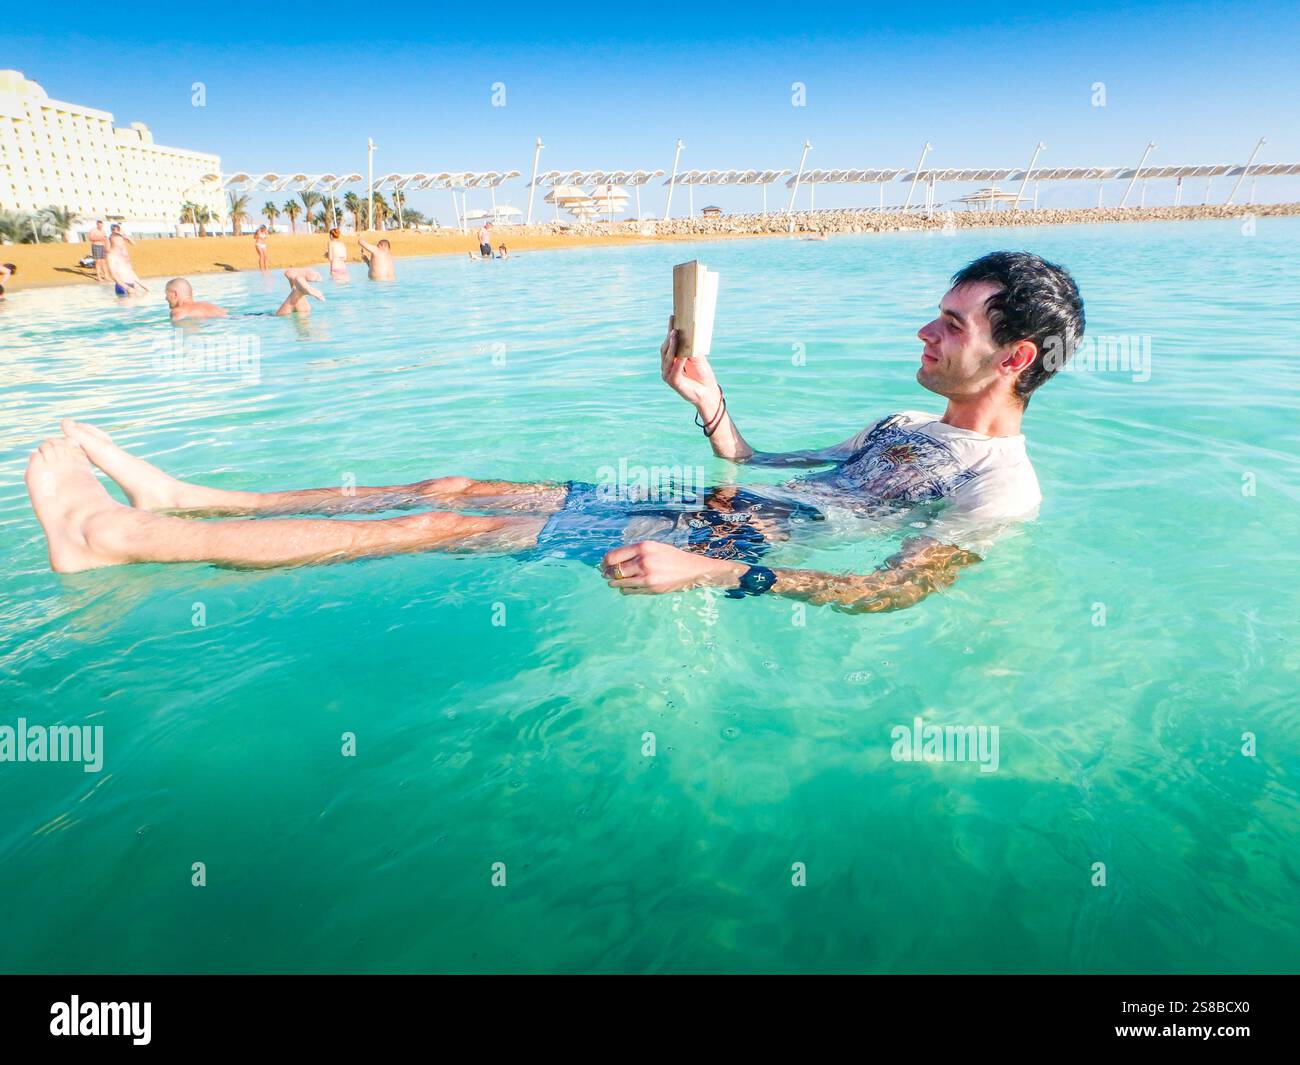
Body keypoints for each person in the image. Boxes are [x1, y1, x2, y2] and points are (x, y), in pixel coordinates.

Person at [26, 251, 1083, 618]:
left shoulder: (1003, 490)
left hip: (724, 547)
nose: (925, 331)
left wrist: (714, 577)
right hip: (706, 506)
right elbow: (755, 466)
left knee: (431, 526)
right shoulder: (897, 421)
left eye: (952, 325)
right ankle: (201, 501)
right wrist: (706, 401)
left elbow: (886, 592)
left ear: (1013, 359)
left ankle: (111, 539)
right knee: (451, 482)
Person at [161, 268, 323, 321]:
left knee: (280, 317)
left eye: (167, 295)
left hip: (238, 321)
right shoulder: (205, 306)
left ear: (175, 294)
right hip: (240, 315)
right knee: (302, 314)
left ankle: (297, 288)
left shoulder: (178, 311)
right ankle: (295, 282)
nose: (165, 298)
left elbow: (178, 322)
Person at [106, 224, 147, 295]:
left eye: (123, 244)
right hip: (122, 287)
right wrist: (127, 288)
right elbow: (113, 275)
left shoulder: (122, 256)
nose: (122, 246)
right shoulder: (111, 256)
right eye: (120, 245)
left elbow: (131, 273)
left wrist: (145, 287)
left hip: (130, 284)